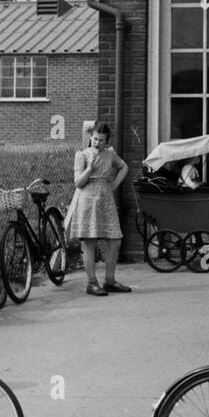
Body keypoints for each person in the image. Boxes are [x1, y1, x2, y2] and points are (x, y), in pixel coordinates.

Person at [63, 121, 131, 296]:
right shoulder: (82, 155)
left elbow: (124, 167)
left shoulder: (110, 154)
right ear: (90, 138)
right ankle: (92, 283)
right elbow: (78, 182)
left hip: (105, 199)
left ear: (107, 141)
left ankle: (110, 280)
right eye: (94, 139)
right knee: (90, 241)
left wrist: (114, 185)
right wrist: (90, 169)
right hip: (87, 200)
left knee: (115, 240)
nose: (97, 142)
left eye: (101, 140)